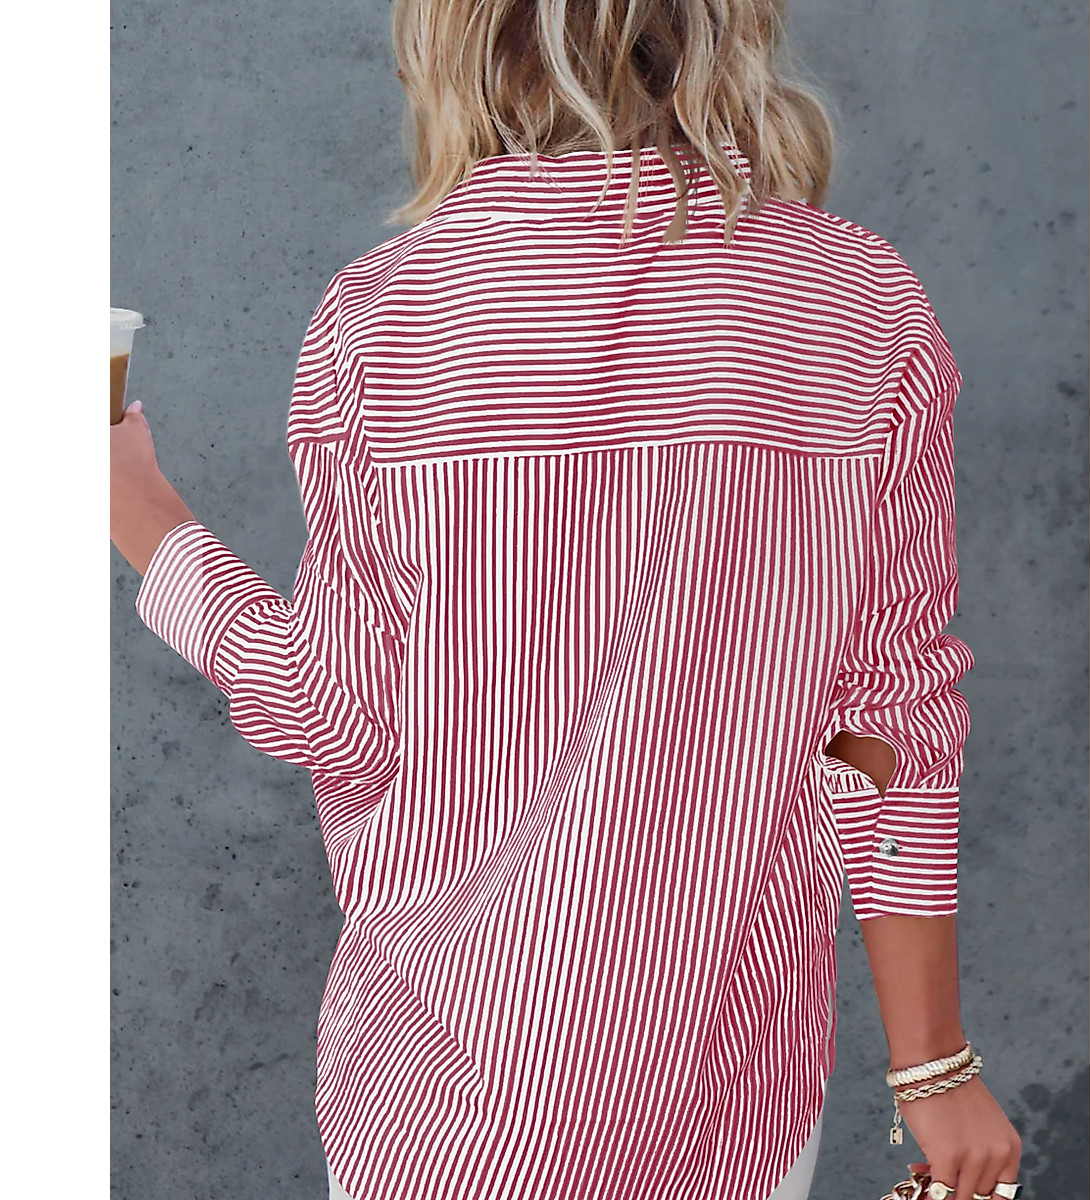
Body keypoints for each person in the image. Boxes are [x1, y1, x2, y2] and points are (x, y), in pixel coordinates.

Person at [111, 2, 1025, 1198]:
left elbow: (329, 707)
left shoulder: (387, 316)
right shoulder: (861, 303)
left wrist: (140, 510)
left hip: (441, 1093)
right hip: (727, 1087)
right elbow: (890, 723)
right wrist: (932, 1066)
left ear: (459, 40)